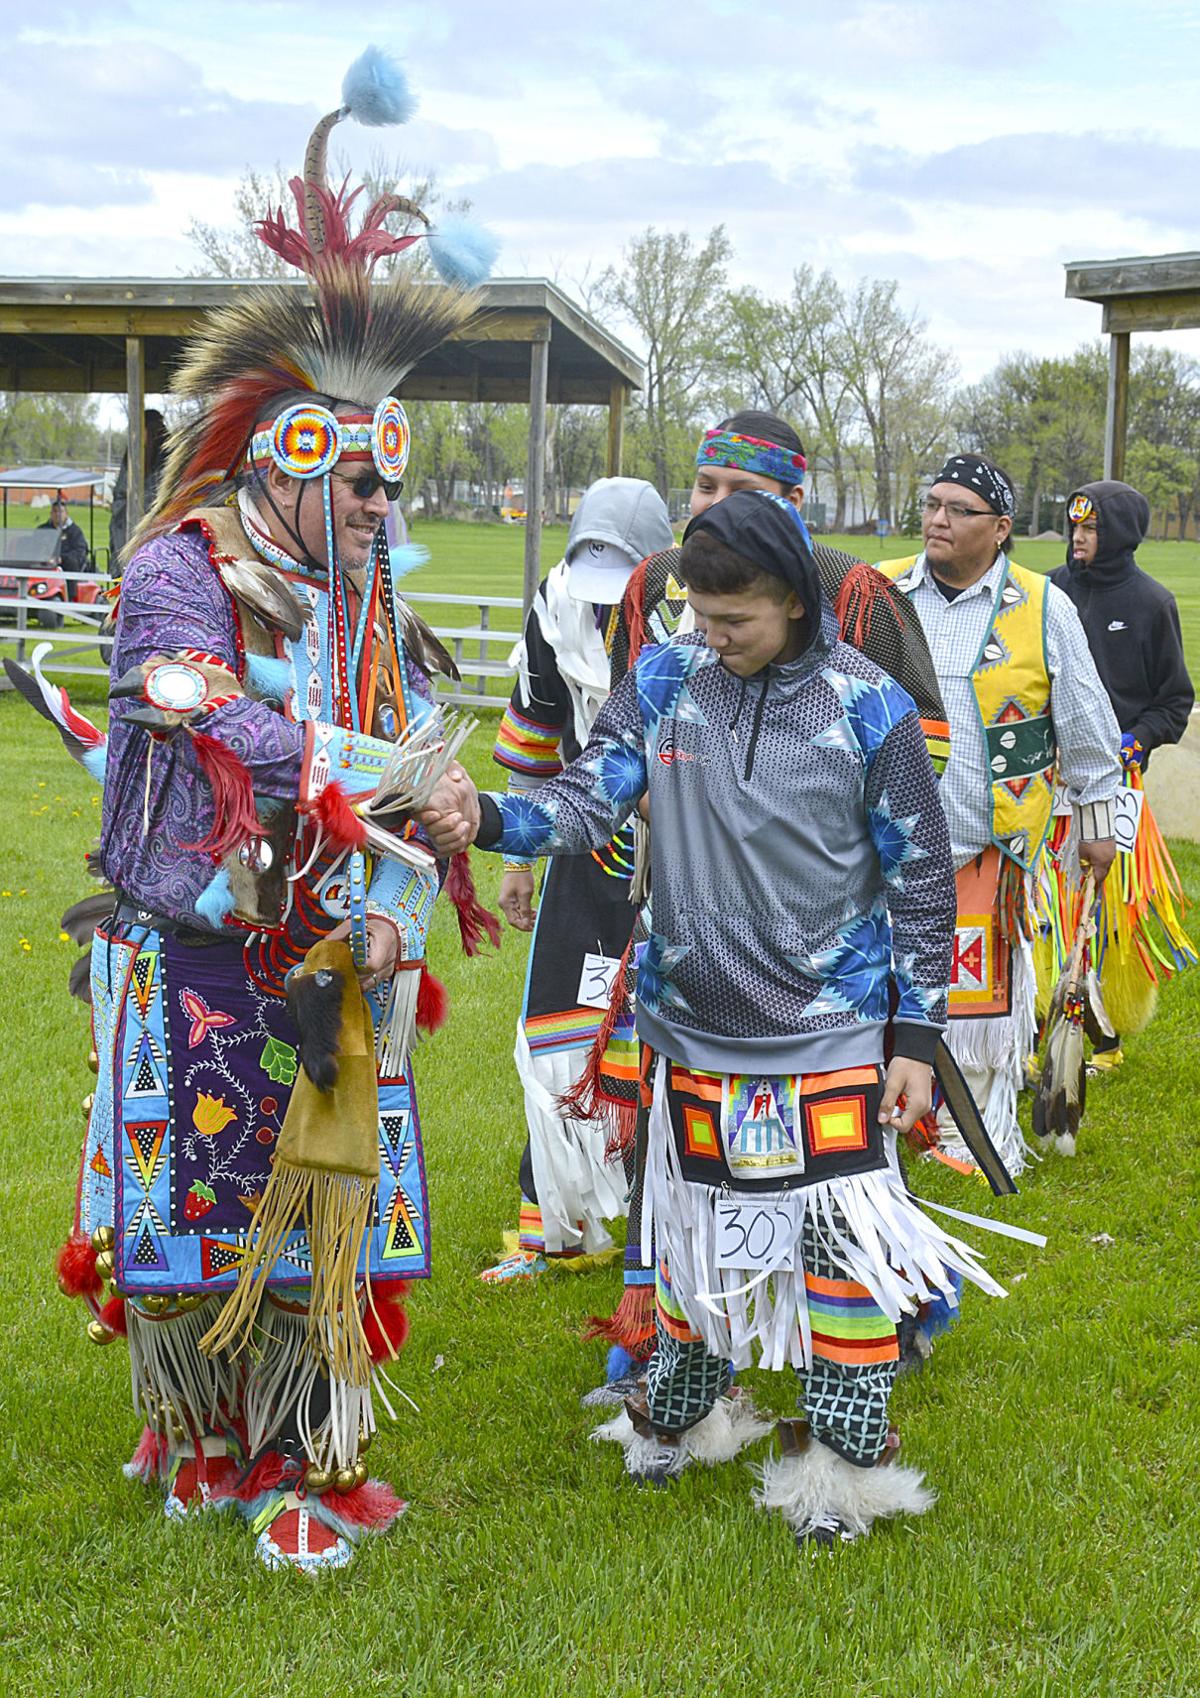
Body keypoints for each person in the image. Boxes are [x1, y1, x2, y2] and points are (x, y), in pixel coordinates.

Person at [40, 48, 500, 1573]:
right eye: (354, 477)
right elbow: (188, 696)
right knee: (184, 1207)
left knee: (323, 1210)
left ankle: (308, 1448)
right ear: (279, 464)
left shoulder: (377, 606)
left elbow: (427, 779)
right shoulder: (181, 564)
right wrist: (352, 769)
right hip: (192, 942)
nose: (379, 506)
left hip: (327, 956)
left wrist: (400, 898)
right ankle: (205, 1429)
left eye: (386, 478)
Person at [418, 490, 1013, 1548]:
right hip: (690, 1030)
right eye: (697, 613)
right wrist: (491, 819)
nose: (710, 635)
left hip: (831, 1033)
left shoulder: (866, 705)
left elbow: (923, 880)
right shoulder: (664, 681)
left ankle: (840, 1472)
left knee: (838, 1258)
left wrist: (917, 1039)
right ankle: (687, 1418)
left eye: (733, 618)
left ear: (791, 599)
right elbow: (589, 802)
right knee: (698, 1250)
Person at [583, 410, 955, 1399]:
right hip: (695, 977)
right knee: (690, 1199)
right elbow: (596, 778)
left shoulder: (860, 619)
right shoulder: (661, 610)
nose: (708, 508)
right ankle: (686, 1378)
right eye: (700, 486)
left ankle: (849, 1404)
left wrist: (913, 1030)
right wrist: (485, 820)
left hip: (824, 996)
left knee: (832, 1205)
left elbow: (918, 845)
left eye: (735, 494)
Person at [875, 454, 1121, 1173]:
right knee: (875, 989)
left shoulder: (1041, 605)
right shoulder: (882, 591)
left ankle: (970, 1133)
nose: (937, 519)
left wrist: (1100, 830)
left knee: (975, 1003)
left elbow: (1085, 728)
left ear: (1001, 528)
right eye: (932, 504)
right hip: (879, 844)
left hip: (986, 848)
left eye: (958, 509)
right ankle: (878, 1123)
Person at [484, 476, 673, 1282]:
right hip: (582, 840)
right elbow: (535, 742)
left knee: (659, 1039)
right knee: (556, 1029)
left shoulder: (691, 613)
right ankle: (554, 1228)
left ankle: (659, 1222)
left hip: (680, 854)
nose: (601, 606)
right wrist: (518, 863)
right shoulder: (554, 606)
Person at [1048, 480, 1195, 1065]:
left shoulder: (1151, 603)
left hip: (1115, 785)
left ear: (1120, 536)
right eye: (1074, 528)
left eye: (1091, 529)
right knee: (1046, 905)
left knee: (1103, 906)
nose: (1078, 539)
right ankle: (1047, 1020)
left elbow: (1174, 702)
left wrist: (1132, 744)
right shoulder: (1051, 591)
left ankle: (1105, 1031)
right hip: (1047, 779)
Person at [108, 409, 169, 568]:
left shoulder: (166, 457)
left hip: (153, 530)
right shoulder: (133, 456)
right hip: (127, 528)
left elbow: (160, 493)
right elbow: (120, 493)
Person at [38, 498, 90, 573]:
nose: (58, 514)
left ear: (66, 514)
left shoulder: (75, 531)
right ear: (51, 513)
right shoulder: (43, 530)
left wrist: (61, 558)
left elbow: (79, 552)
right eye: (55, 511)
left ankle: (71, 585)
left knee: (72, 562)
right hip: (45, 563)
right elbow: (35, 547)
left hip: (67, 565)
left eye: (61, 511)